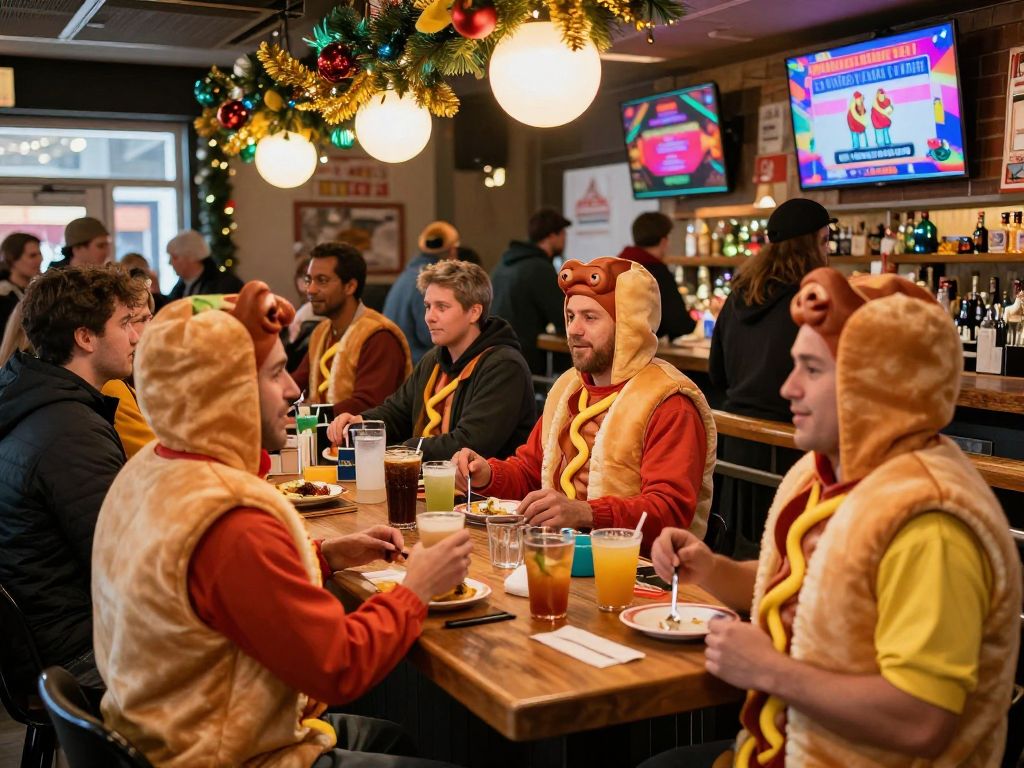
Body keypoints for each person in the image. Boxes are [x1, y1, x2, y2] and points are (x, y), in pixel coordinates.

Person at [644, 269, 1021, 768]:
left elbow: (922, 720)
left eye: (812, 370)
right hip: (778, 745)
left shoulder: (929, 519)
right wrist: (710, 570)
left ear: (874, 384)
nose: (788, 388)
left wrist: (771, 671)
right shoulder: (823, 472)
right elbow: (808, 588)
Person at [92, 282, 470, 767]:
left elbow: (224, 589)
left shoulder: (150, 467)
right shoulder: (231, 519)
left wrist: (328, 554)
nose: (293, 389)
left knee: (393, 739)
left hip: (164, 730)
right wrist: (415, 589)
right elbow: (338, 667)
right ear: (226, 391)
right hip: (228, 753)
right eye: (274, 374)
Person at [453, 256, 716, 551]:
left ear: (628, 326)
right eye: (570, 317)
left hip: (639, 573)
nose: (574, 330)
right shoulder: (568, 387)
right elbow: (531, 472)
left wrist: (584, 513)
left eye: (590, 318)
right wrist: (487, 473)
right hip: (558, 556)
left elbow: (670, 511)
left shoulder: (669, 402)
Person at [0, 265, 147, 697]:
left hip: (46, 638)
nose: (137, 337)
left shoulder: (35, 401)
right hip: (77, 653)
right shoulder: (69, 430)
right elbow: (126, 562)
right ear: (85, 338)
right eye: (124, 324)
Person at [708, 198, 833, 556]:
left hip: (738, 443)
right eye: (825, 241)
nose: (828, 251)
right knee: (788, 554)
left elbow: (717, 373)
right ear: (811, 243)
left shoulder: (738, 295)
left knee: (744, 549)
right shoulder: (813, 300)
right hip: (792, 445)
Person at [328, 260, 535, 462]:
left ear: (474, 312)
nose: (429, 317)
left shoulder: (504, 366)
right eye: (428, 306)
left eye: (442, 307)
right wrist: (362, 422)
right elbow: (397, 412)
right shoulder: (434, 358)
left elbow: (470, 443)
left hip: (485, 494)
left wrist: (403, 452)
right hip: (432, 482)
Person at [292, 242, 411, 416]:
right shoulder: (321, 331)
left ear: (350, 286)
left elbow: (368, 405)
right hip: (325, 438)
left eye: (322, 281)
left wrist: (305, 417)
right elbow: (294, 386)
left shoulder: (380, 335)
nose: (310, 289)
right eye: (309, 279)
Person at [490, 209, 572, 375]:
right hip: (523, 361)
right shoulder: (539, 268)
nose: (565, 238)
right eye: (563, 233)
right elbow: (564, 317)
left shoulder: (504, 264)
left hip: (495, 354)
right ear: (551, 236)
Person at [384, 221, 460, 363]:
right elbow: (429, 335)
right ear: (452, 251)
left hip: (396, 361)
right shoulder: (429, 282)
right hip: (415, 366)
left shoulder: (406, 276)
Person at [617, 212, 696, 341]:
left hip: (617, 348)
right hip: (644, 352)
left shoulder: (617, 266)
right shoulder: (657, 273)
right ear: (664, 241)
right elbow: (679, 324)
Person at [166, 229, 243, 300]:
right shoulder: (181, 286)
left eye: (174, 257)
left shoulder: (226, 285)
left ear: (191, 256)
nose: (170, 263)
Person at [0, 232, 42, 334]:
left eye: (39, 254)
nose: (40, 259)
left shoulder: (40, 290)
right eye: (32, 256)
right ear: (13, 259)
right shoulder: (3, 295)